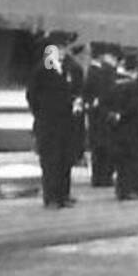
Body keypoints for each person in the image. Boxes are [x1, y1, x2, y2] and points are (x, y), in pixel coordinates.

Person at [26, 37, 81, 209]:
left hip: (66, 122)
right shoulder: (43, 68)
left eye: (64, 48)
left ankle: (64, 194)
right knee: (51, 161)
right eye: (59, 48)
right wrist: (42, 113)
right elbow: (32, 95)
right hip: (48, 123)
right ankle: (51, 197)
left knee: (65, 159)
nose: (63, 52)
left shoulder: (67, 68)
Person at [112, 48, 138, 201]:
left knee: (122, 160)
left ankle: (122, 189)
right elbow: (135, 106)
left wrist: (117, 115)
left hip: (118, 126)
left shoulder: (114, 81)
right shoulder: (133, 85)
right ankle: (134, 189)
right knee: (134, 158)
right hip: (133, 126)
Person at [83, 43, 119, 187]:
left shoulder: (94, 70)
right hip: (101, 113)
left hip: (97, 114)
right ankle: (103, 176)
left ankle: (99, 176)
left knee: (99, 146)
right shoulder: (103, 71)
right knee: (103, 146)